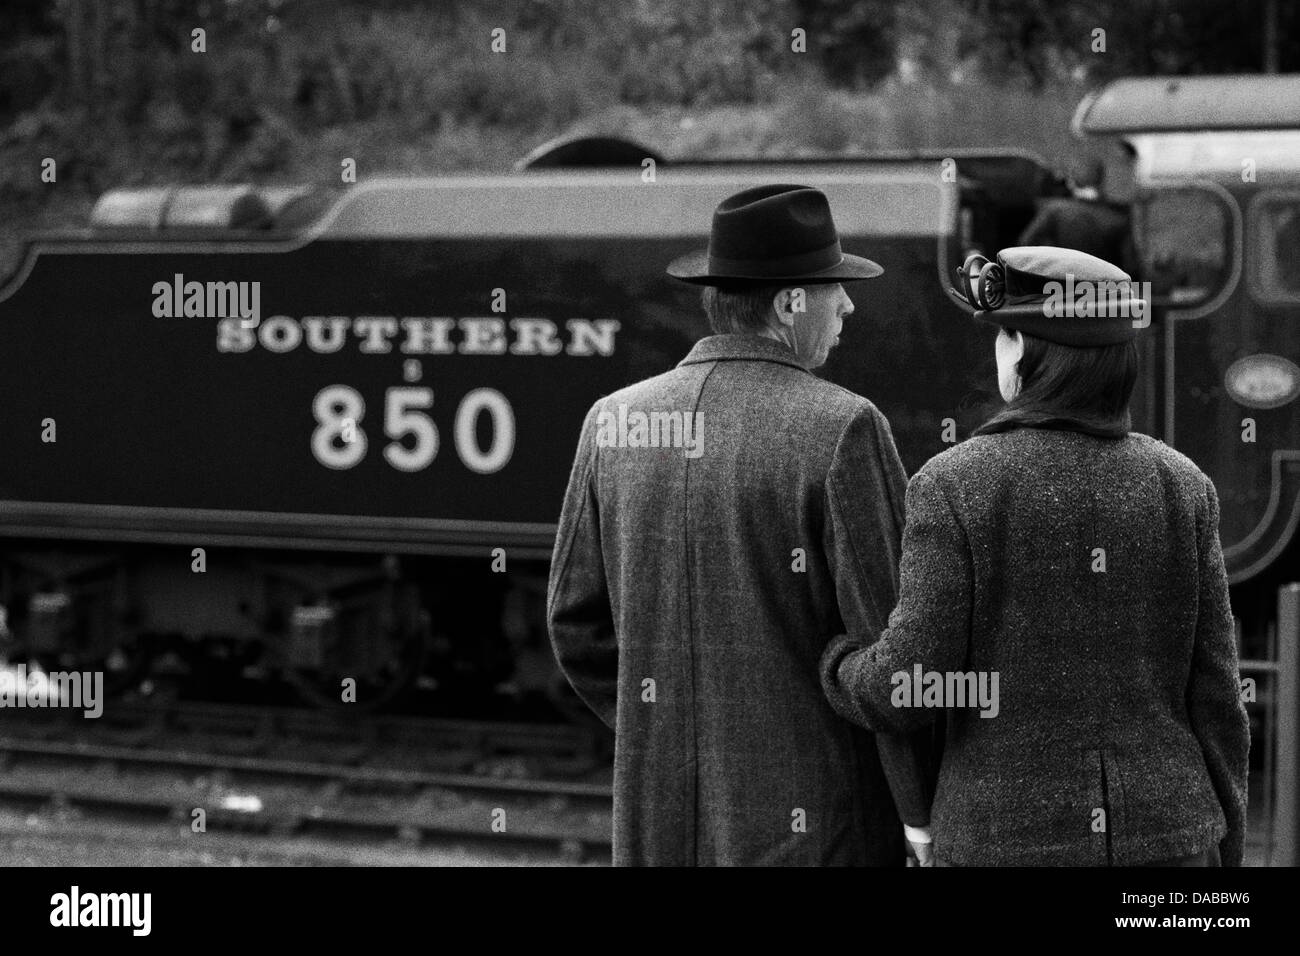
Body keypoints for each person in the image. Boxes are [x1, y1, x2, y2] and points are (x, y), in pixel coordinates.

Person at [820, 247, 1250, 866]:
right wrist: (1223, 851)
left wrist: (838, 663)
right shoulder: (1181, 485)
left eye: (1002, 336)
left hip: (1006, 844)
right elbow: (1218, 702)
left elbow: (911, 686)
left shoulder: (956, 484)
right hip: (1174, 845)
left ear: (1023, 350)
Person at [547, 184, 933, 865]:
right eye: (833, 288)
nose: (846, 304)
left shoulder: (612, 422)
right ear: (789, 304)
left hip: (656, 825)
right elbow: (892, 649)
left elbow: (574, 623)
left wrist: (667, 725)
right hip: (821, 832)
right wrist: (919, 817)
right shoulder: (844, 427)